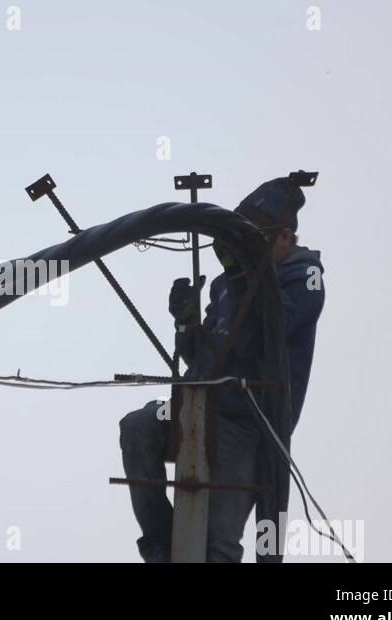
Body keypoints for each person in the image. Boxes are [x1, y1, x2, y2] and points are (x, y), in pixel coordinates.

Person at [119, 175, 325, 563]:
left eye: (254, 238)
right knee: (138, 426)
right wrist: (186, 324)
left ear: (284, 238)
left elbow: (264, 336)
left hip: (249, 421)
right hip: (200, 406)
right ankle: (162, 546)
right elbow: (202, 357)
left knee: (215, 541)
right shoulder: (224, 286)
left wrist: (240, 277)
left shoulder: (303, 279)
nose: (243, 247)